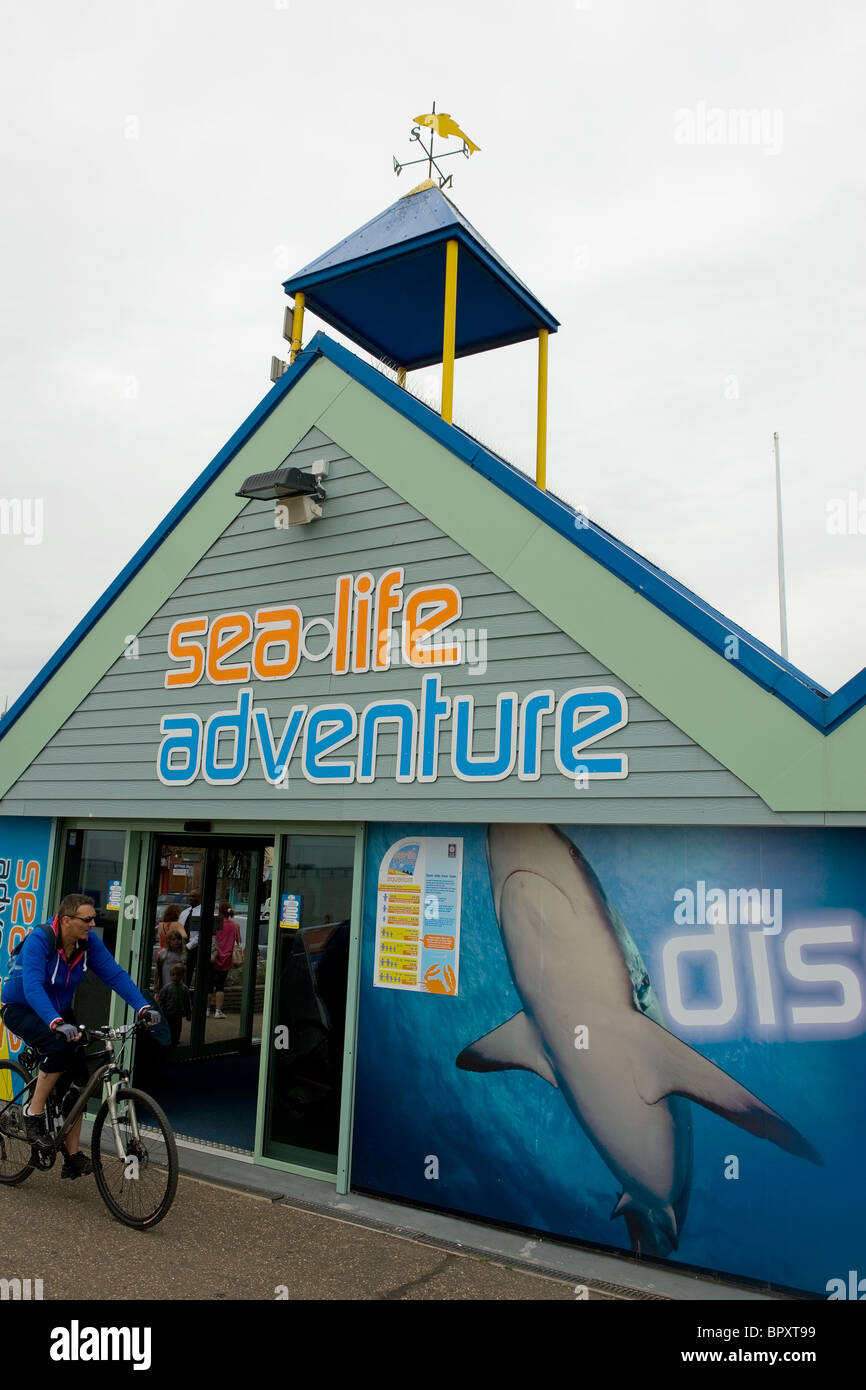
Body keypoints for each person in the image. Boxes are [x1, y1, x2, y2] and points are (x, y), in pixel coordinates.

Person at [0, 893, 160, 1179]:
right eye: (86, 919)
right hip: (22, 1008)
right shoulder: (41, 939)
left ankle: (72, 1157)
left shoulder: (87, 943)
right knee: (58, 1047)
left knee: (81, 1081)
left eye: (92, 918)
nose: (92, 923)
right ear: (66, 920)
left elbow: (114, 975)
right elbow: (33, 987)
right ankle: (32, 1113)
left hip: (59, 1013)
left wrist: (143, 1006)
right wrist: (56, 1022)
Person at [208, 902, 241, 1020]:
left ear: (220, 911)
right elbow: (238, 941)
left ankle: (206, 1010)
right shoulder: (234, 925)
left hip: (214, 957)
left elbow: (211, 937)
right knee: (220, 985)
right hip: (227, 958)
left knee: (209, 985)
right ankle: (218, 1011)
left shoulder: (216, 923)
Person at [158, 963, 191, 1047]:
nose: (175, 977)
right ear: (170, 975)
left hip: (178, 1014)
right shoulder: (167, 987)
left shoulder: (184, 989)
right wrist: (161, 1012)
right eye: (173, 975)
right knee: (168, 1028)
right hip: (167, 1014)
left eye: (178, 975)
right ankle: (169, 1041)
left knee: (177, 1029)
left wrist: (188, 1014)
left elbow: (187, 1002)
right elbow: (161, 1000)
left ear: (182, 975)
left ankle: (175, 1041)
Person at [154, 930, 186, 994]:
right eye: (174, 939)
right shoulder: (164, 953)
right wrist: (156, 985)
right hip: (165, 984)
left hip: (178, 986)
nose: (177, 941)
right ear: (169, 941)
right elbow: (157, 970)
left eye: (179, 939)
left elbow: (184, 973)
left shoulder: (182, 955)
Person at [180, 893, 201, 987]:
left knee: (191, 971)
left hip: (195, 948)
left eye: (193, 896)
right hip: (182, 946)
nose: (190, 898)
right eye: (190, 896)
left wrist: (189, 946)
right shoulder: (184, 912)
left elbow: (201, 934)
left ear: (199, 898)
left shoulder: (201, 912)